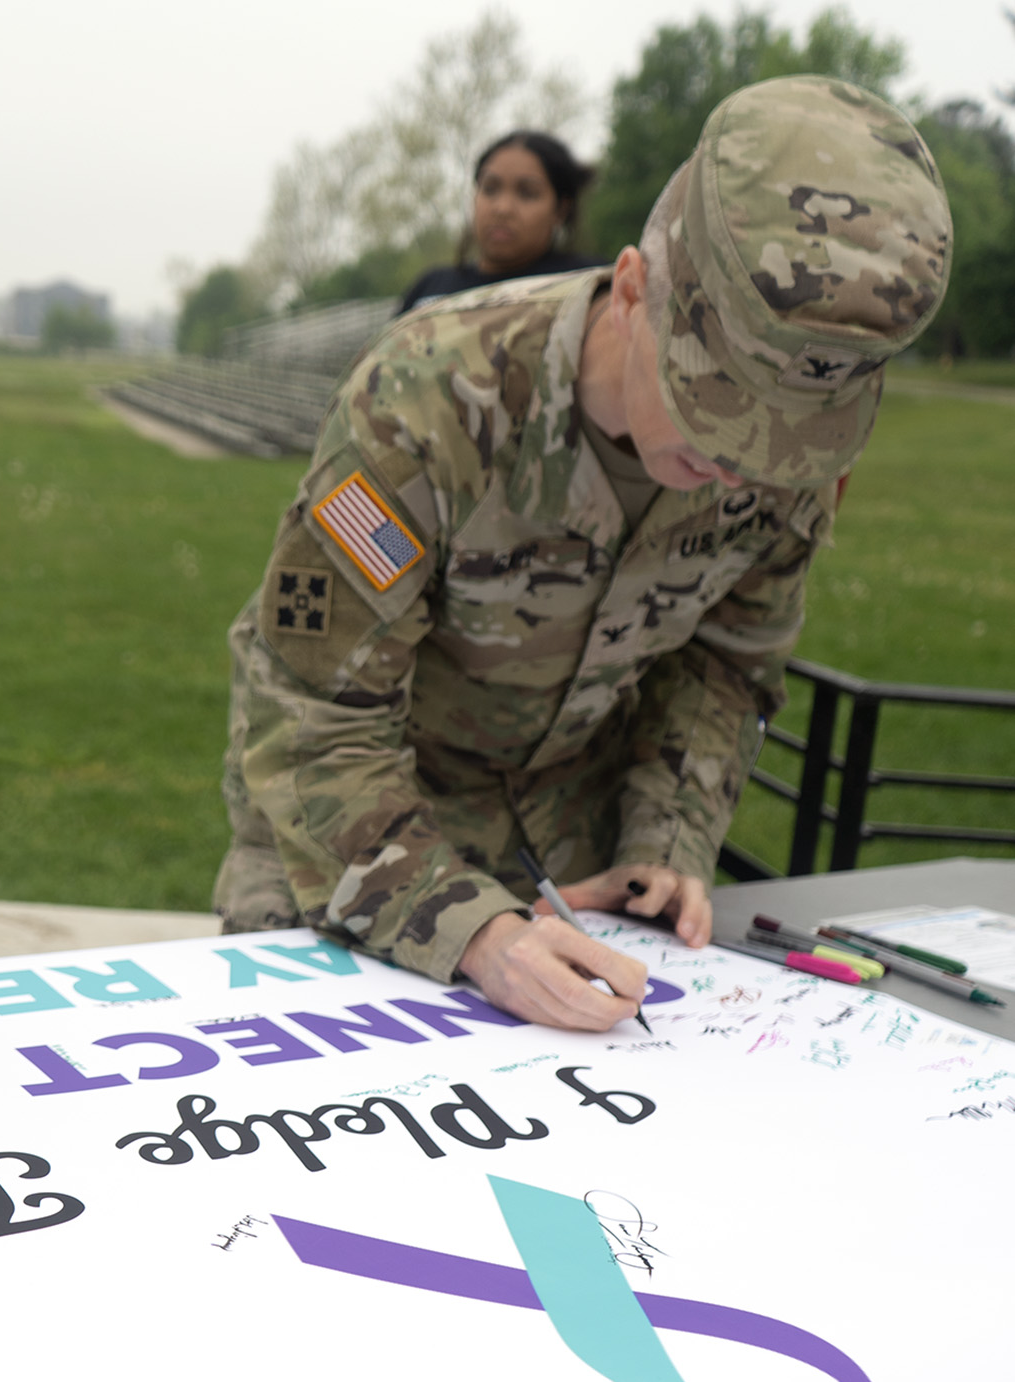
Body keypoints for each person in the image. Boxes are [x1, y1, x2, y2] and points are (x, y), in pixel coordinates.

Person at [215, 76, 951, 1030]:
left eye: (789, 437)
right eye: (715, 405)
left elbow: (727, 663)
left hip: (573, 863)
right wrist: (469, 929)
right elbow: (312, 709)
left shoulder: (789, 454)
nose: (746, 467)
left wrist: (665, 845)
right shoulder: (428, 400)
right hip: (347, 848)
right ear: (633, 289)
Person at [398, 131, 601, 315]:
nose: (502, 209)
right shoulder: (429, 289)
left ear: (561, 210)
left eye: (527, 193)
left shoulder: (591, 285)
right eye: (490, 189)